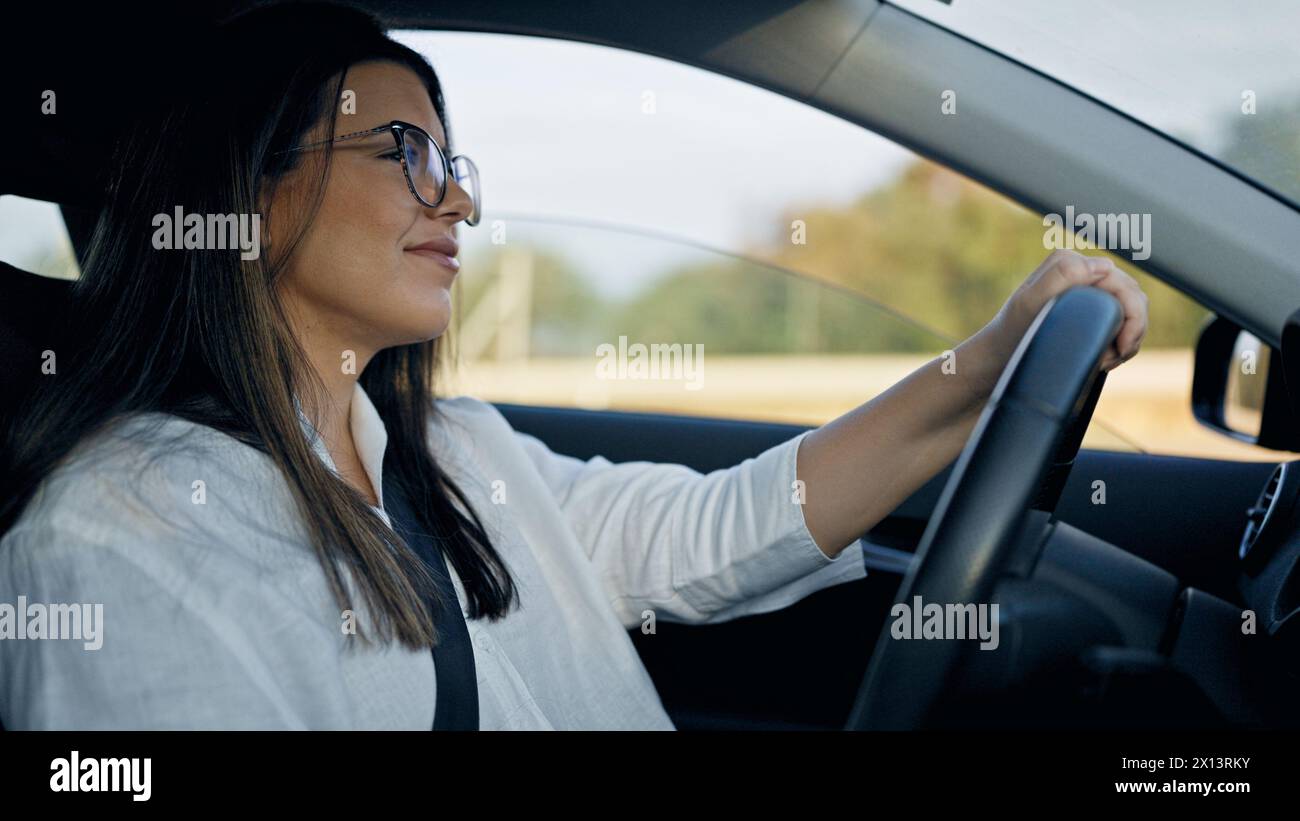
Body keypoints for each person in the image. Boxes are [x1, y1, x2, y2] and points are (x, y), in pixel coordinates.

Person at [0, 2, 1147, 729]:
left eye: (455, 161)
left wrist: (987, 362)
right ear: (250, 185)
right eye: (405, 152)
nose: (456, 198)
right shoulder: (116, 541)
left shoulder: (453, 448)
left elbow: (705, 534)